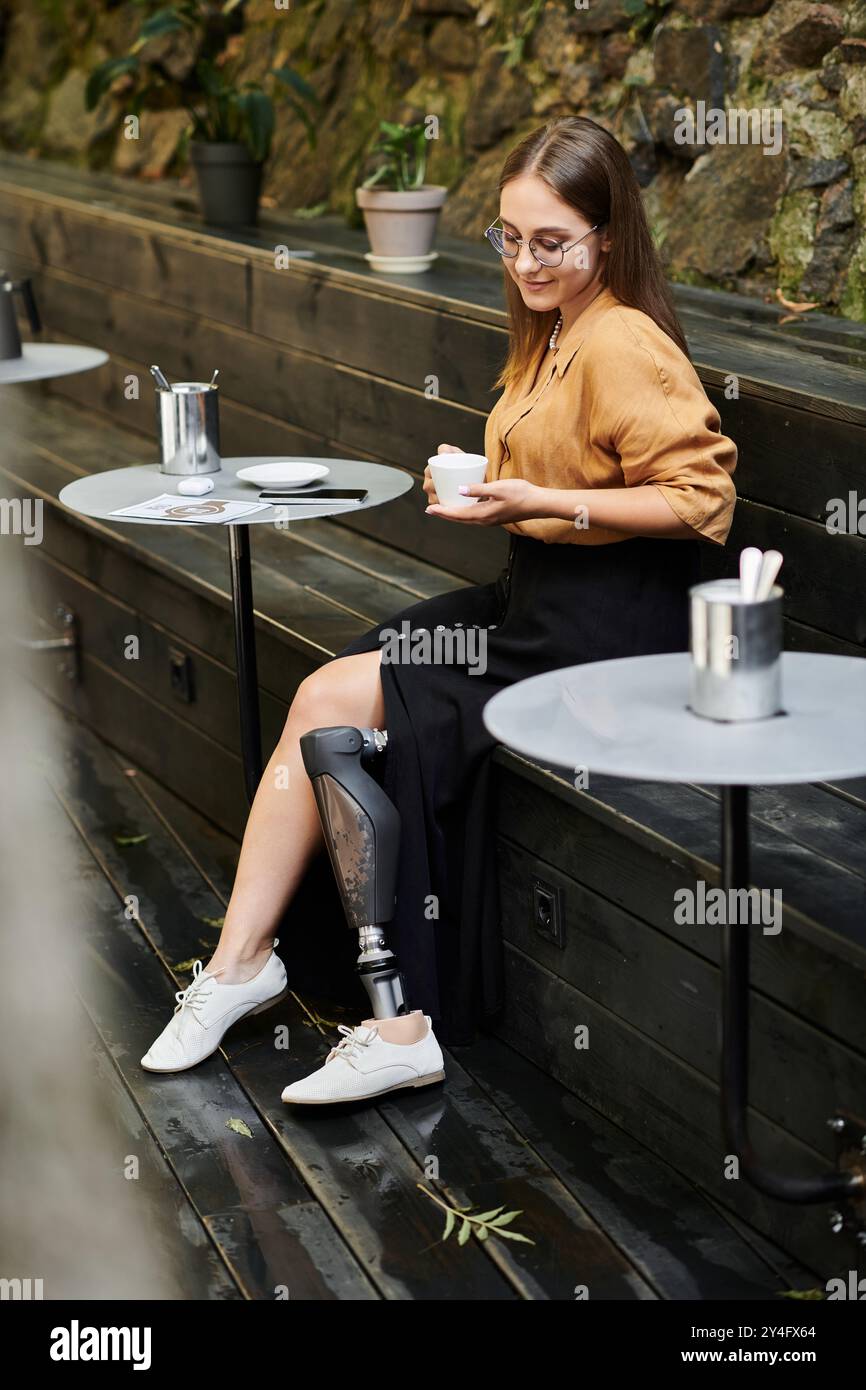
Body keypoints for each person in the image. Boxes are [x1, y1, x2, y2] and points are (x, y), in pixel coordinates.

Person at [141, 115, 737, 1104]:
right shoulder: (555, 328)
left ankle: (387, 1019)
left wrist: (539, 501)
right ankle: (245, 967)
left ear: (606, 235)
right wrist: (490, 481)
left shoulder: (621, 339)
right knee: (325, 701)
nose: (523, 260)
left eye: (550, 241)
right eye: (507, 237)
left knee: (343, 706)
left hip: (603, 637)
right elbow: (565, 464)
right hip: (535, 601)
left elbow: (702, 501)